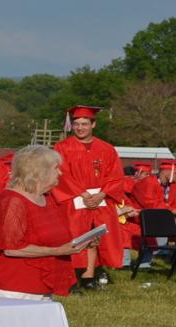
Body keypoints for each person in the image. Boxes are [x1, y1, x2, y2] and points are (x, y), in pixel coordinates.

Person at [0, 144, 88, 300]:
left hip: (40, 284)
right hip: (17, 287)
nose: (60, 173)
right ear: (40, 171)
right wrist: (59, 251)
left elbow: (53, 235)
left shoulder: (45, 197)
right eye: (55, 168)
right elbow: (12, 249)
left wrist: (83, 242)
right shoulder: (13, 201)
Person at [51, 105, 131, 291]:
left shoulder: (107, 148)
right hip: (73, 201)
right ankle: (70, 280)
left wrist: (102, 194)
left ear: (93, 124)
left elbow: (116, 175)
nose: (80, 128)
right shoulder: (62, 148)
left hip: (100, 201)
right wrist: (84, 194)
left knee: (95, 238)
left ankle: (88, 279)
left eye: (85, 124)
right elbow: (61, 174)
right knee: (74, 238)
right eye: (77, 124)